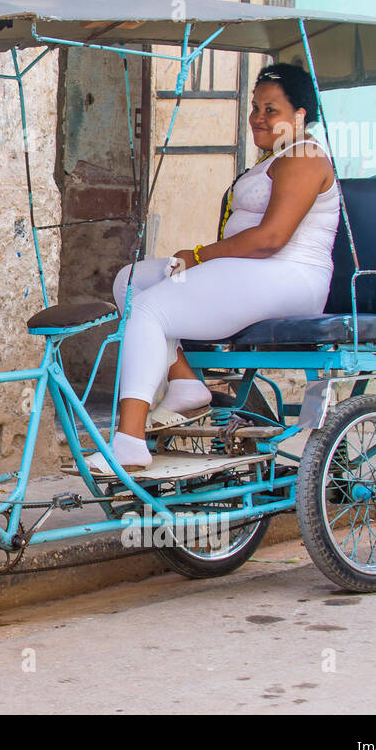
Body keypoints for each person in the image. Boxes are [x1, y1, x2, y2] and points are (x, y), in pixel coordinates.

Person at [89, 62, 340, 473]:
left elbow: (271, 238)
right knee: (132, 282)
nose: (259, 117)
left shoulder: (305, 157)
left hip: (288, 276)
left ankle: (129, 441)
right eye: (255, 107)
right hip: (253, 272)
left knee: (151, 309)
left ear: (300, 115)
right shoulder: (272, 157)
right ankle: (186, 383)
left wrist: (201, 255)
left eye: (271, 110)